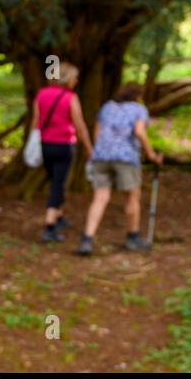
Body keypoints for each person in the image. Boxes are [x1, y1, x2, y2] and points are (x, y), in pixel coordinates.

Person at [77, 82, 163, 256]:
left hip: (101, 156)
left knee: (100, 197)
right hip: (126, 157)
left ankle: (87, 238)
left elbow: (98, 133)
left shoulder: (107, 107)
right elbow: (139, 132)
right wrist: (151, 154)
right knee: (132, 197)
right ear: (138, 95)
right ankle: (133, 236)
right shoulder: (138, 110)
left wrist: (98, 151)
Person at [29, 62, 92, 243]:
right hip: (64, 146)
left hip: (45, 145)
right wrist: (89, 148)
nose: (76, 81)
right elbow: (80, 126)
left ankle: (59, 215)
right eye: (74, 77)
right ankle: (49, 226)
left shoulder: (41, 94)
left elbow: (35, 121)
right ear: (67, 78)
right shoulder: (70, 97)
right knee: (58, 184)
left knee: (55, 181)